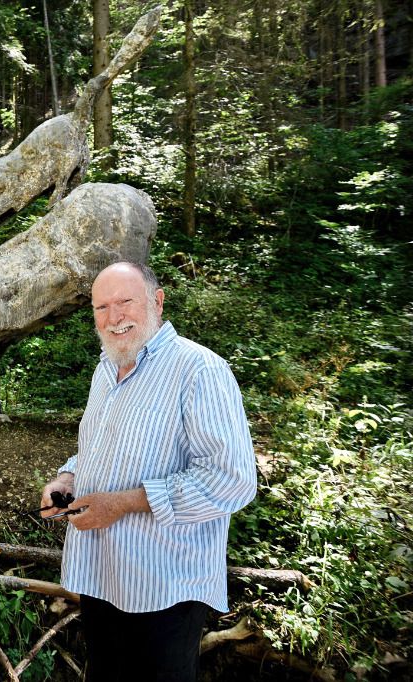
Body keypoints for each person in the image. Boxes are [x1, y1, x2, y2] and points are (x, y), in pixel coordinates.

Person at [39, 261, 257, 682]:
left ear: (156, 302)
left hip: (164, 585)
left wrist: (123, 503)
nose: (113, 317)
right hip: (102, 574)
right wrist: (67, 479)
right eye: (101, 307)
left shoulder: (200, 370)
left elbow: (232, 479)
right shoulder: (106, 368)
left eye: (125, 302)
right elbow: (98, 448)